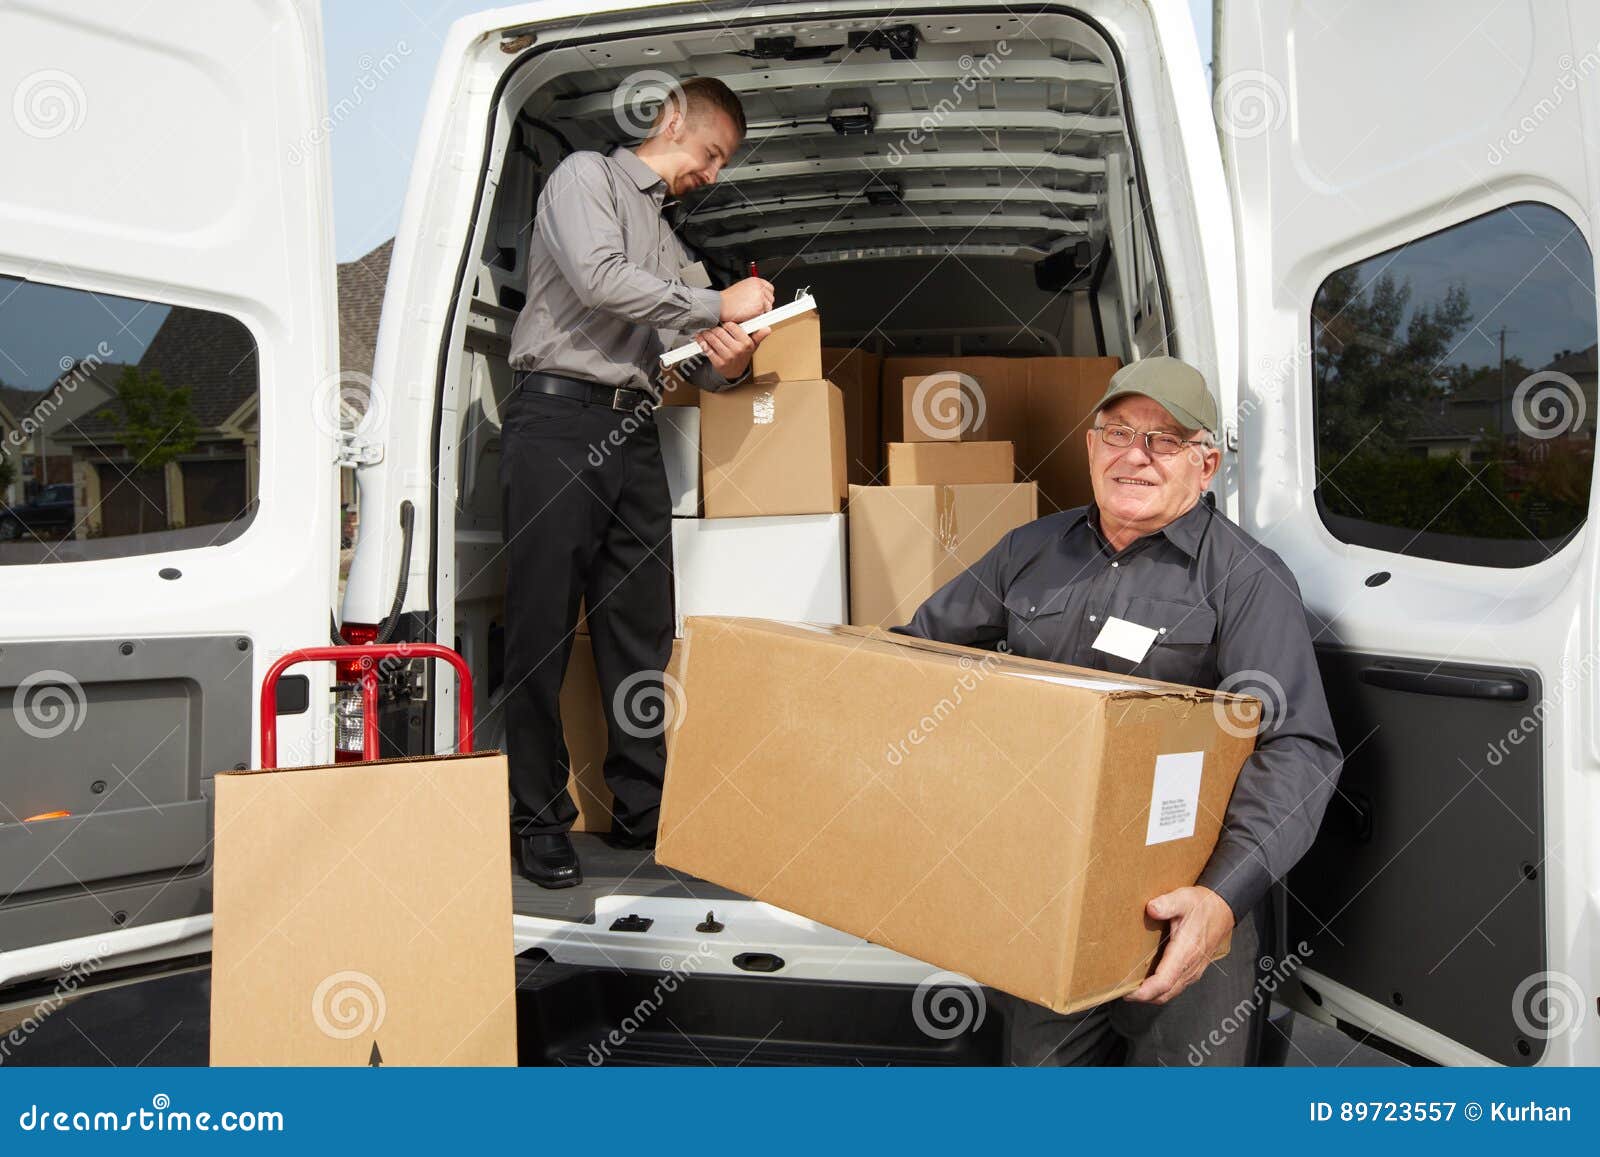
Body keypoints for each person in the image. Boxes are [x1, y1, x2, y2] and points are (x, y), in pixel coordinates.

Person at [896, 356, 1344, 1064]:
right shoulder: (1029, 550)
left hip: (1185, 917)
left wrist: (1221, 898)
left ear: (1206, 464)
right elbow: (915, 656)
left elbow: (1299, 751)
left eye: (1163, 440)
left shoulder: (1246, 581)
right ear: (1089, 446)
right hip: (1048, 906)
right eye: (1117, 432)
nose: (1134, 455)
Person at [501, 75, 771, 889]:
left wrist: (735, 355)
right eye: (710, 152)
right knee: (542, 631)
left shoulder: (669, 239)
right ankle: (537, 820)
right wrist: (716, 300)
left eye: (723, 163)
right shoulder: (586, 178)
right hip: (556, 420)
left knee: (640, 631)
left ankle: (641, 811)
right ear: (670, 119)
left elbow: (697, 351)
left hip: (632, 428)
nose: (713, 173)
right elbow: (598, 279)